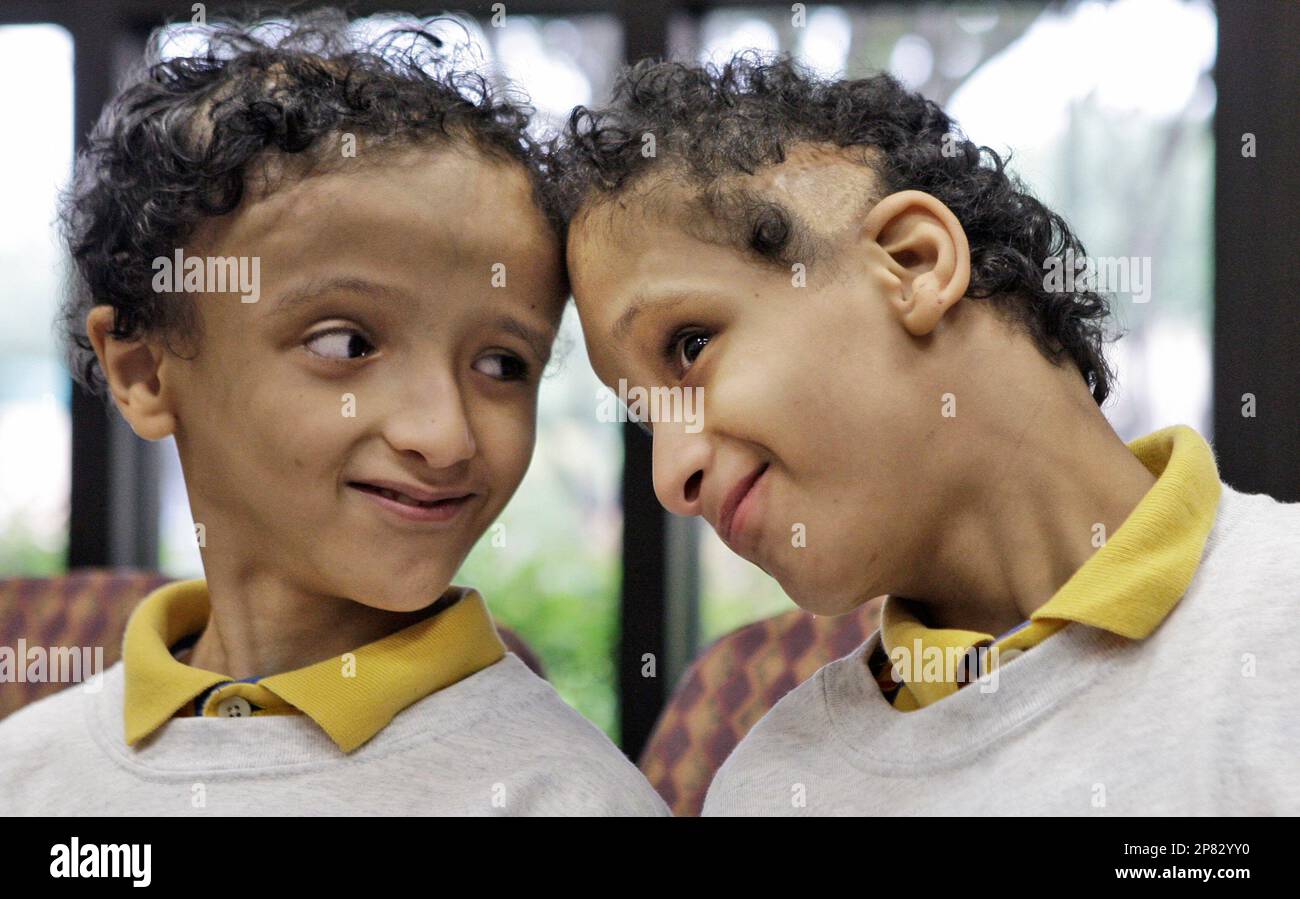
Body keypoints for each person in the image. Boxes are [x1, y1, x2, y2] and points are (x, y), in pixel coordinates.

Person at [552, 53, 1300, 816]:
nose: (668, 476)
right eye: (643, 420)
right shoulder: (770, 790)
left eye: (690, 347)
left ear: (913, 262)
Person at [0, 11, 668, 818]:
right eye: (348, 343)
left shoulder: (564, 798)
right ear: (144, 371)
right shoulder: (26, 771)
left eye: (502, 364)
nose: (445, 435)